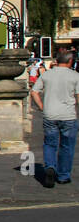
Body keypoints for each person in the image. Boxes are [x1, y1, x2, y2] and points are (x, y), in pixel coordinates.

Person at [29, 48, 79, 188]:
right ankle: (63, 176)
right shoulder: (75, 76)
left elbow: (34, 92)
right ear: (70, 61)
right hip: (68, 116)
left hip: (50, 114)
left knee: (50, 143)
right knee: (66, 146)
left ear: (57, 61)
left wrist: (42, 107)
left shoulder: (47, 75)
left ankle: (50, 167)